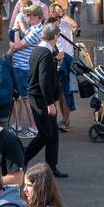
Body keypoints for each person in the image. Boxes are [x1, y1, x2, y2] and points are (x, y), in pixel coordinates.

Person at [24, 23, 66, 177]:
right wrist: (49, 103)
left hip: (39, 97)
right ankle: (23, 157)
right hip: (40, 98)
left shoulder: (39, 50)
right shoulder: (46, 54)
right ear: (55, 36)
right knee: (45, 133)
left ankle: (51, 167)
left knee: (53, 132)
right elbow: (43, 80)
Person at [49, 2, 77, 131]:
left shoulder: (66, 23)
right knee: (60, 92)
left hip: (68, 59)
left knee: (67, 91)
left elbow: (74, 25)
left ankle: (65, 120)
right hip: (56, 60)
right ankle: (65, 119)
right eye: (54, 14)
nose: (57, 17)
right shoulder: (49, 25)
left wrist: (63, 15)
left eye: (58, 14)